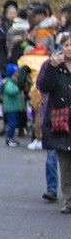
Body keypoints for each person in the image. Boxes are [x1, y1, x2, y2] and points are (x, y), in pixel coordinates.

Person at [36, 45, 71, 212]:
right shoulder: (52, 66)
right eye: (66, 45)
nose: (69, 48)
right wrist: (52, 67)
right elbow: (43, 86)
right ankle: (68, 201)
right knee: (64, 163)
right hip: (61, 121)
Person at [0, 63, 24, 147]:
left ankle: (11, 138)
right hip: (11, 107)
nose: (18, 73)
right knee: (12, 123)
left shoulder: (13, 82)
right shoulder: (9, 82)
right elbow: (10, 91)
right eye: (16, 72)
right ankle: (9, 138)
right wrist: (18, 89)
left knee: (14, 123)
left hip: (14, 107)